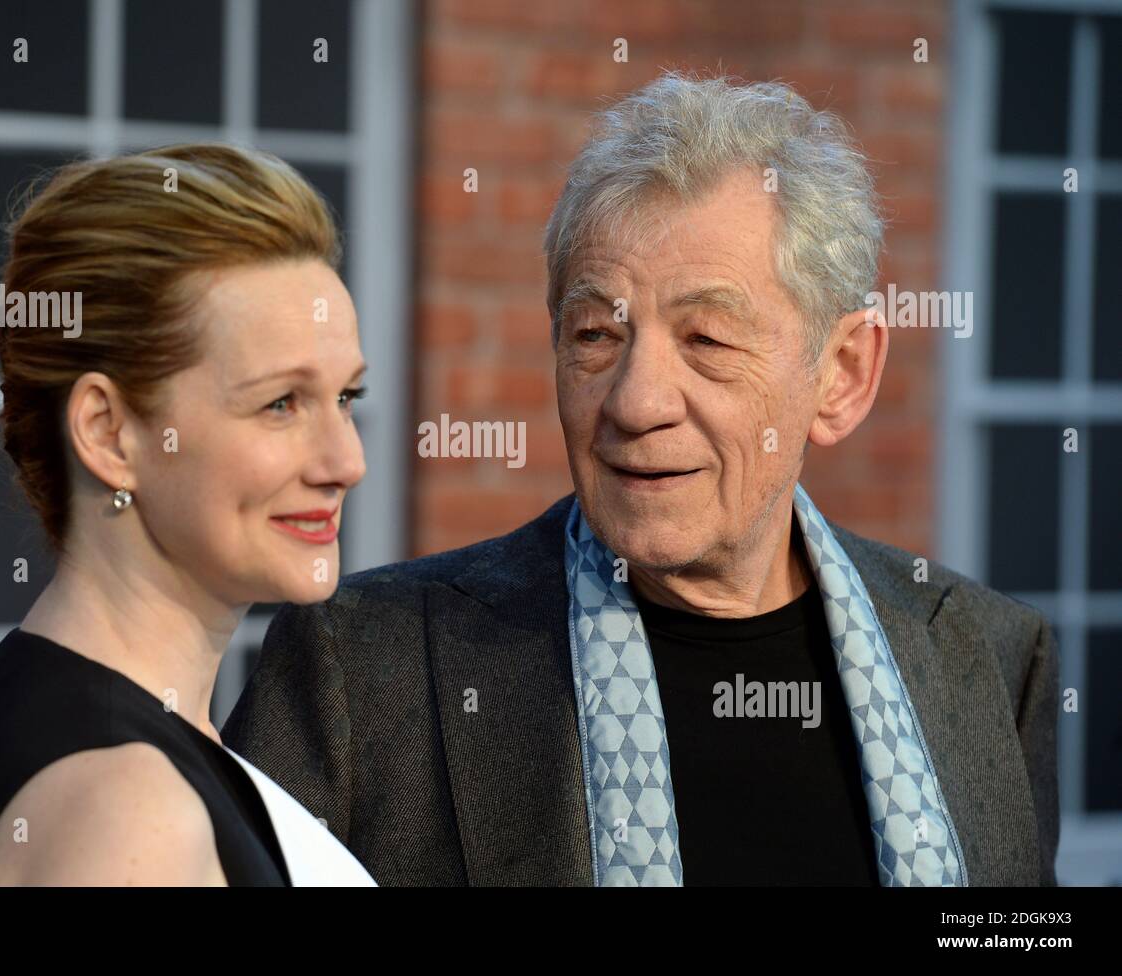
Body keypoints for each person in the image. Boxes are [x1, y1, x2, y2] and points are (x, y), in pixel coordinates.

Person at [223, 74, 1060, 887]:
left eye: (707, 340)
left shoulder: (988, 661)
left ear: (842, 374)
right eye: (594, 334)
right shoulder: (365, 670)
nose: (636, 401)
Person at [0, 144, 375, 886]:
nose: (345, 462)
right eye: (280, 403)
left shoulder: (72, 721)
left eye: (346, 398)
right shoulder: (130, 814)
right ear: (107, 433)